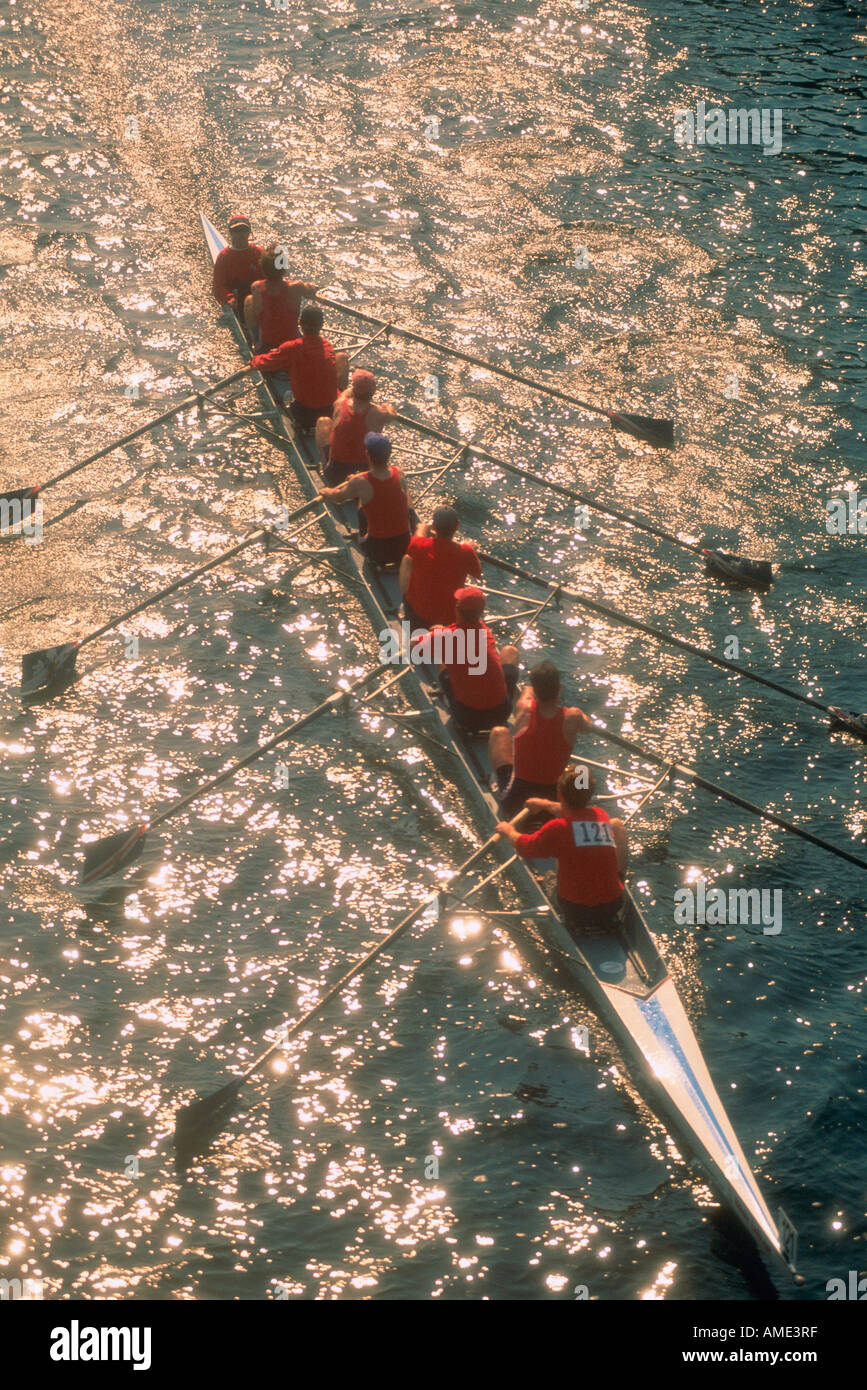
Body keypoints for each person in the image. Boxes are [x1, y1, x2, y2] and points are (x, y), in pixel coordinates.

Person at [495, 765, 628, 938]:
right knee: (615, 825)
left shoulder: (558, 828)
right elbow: (574, 811)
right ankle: (618, 885)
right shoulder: (600, 816)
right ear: (589, 795)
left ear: (559, 794)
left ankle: (571, 918)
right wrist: (545, 804)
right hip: (613, 904)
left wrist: (508, 831)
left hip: (575, 910)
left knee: (557, 859)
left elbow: (526, 847)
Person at [489, 661, 592, 818]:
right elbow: (587, 727)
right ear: (559, 689)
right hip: (552, 804)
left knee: (499, 732)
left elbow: (526, 694)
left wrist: (531, 688)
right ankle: (576, 808)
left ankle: (499, 783)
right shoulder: (573, 716)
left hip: (515, 801)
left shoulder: (523, 706)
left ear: (536, 690)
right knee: (581, 770)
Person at [415, 586, 518, 735]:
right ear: (481, 613)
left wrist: (435, 634)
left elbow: (414, 647)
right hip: (501, 714)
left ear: (457, 609)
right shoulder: (485, 632)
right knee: (510, 651)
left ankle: (446, 696)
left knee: (441, 652)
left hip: (467, 718)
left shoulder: (445, 636)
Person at [319, 432, 411, 568]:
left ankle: (363, 536)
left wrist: (325, 492)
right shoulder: (400, 473)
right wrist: (357, 479)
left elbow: (338, 497)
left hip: (377, 552)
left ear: (367, 454)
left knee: (363, 498)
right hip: (404, 548)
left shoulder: (361, 482)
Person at [243, 245, 319, 405]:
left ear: (263, 268)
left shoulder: (256, 287)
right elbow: (310, 290)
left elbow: (260, 304)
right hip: (292, 348)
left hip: (267, 347)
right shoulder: (296, 287)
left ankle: (254, 342)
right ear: (284, 268)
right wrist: (312, 288)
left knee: (248, 300)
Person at [251, 304, 343, 427]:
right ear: (321, 325)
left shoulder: (291, 348)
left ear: (299, 323)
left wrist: (254, 360)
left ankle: (296, 422)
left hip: (305, 414)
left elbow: (264, 363)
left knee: (288, 394)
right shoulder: (328, 346)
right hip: (330, 411)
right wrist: (281, 353)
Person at [399, 506, 482, 631]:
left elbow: (418, 536)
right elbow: (477, 572)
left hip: (417, 615)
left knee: (407, 559)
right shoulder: (467, 552)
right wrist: (471, 549)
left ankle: (403, 605)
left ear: (434, 527)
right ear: (457, 526)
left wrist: (422, 528)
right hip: (448, 620)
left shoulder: (418, 545)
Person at [317, 369, 395, 487]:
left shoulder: (340, 403)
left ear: (354, 389)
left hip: (335, 474)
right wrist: (386, 406)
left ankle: (325, 463)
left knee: (323, 421)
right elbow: (392, 414)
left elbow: (345, 394)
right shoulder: (381, 414)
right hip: (363, 479)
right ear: (374, 391)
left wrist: (353, 389)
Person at [211, 214, 263, 319]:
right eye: (236, 230)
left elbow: (271, 278)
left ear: (249, 233)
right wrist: (228, 298)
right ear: (231, 233)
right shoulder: (223, 257)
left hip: (258, 297)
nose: (240, 234)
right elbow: (218, 286)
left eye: (244, 230)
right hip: (237, 299)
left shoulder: (259, 253)